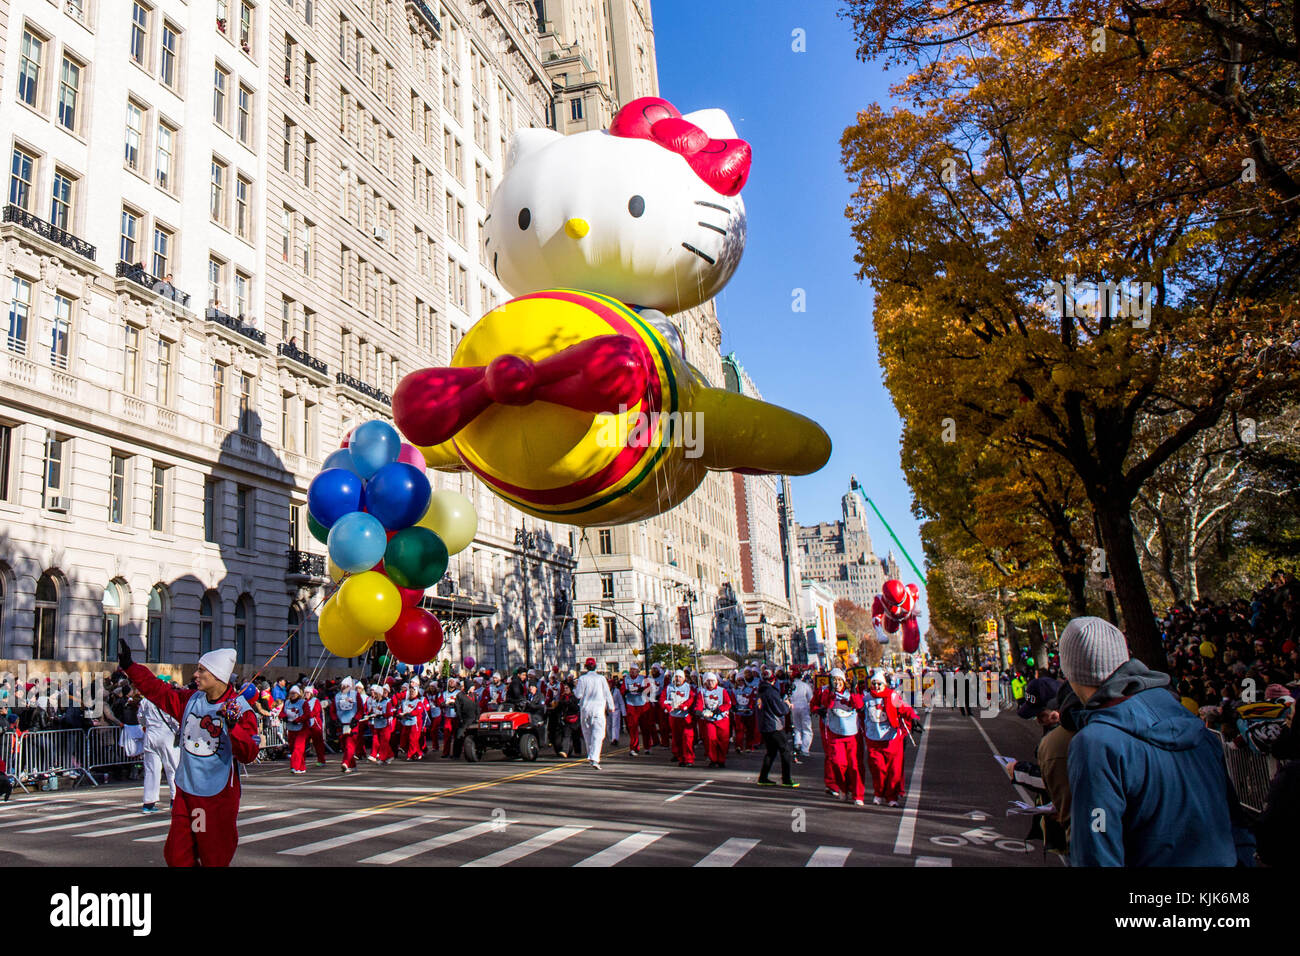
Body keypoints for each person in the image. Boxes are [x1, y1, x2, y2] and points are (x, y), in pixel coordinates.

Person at [1061, 616, 1252, 866]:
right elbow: (1234, 819)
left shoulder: (1096, 744)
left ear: (1069, 670)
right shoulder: (1190, 721)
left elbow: (1096, 850)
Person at [117, 640, 259, 867]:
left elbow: (249, 754)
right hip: (186, 790)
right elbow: (159, 691)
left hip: (216, 796)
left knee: (213, 857)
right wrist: (130, 666)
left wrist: (233, 727)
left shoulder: (241, 710)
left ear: (217, 676)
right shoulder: (191, 700)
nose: (195, 674)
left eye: (202, 670)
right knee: (177, 855)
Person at [861, 669, 917, 807]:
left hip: (891, 739)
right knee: (878, 769)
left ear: (884, 684)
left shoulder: (892, 696)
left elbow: (905, 709)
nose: (876, 687)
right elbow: (860, 714)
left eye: (879, 684)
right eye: (874, 684)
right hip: (873, 738)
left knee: (894, 771)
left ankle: (892, 797)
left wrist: (914, 718)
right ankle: (878, 793)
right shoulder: (866, 698)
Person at [816, 668, 863, 802]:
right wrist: (832, 693)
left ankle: (857, 795)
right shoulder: (827, 693)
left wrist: (853, 691)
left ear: (844, 681)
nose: (837, 683)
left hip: (851, 735)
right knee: (837, 764)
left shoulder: (851, 692)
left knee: (854, 766)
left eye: (839, 680)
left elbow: (859, 705)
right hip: (835, 734)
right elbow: (827, 704)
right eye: (834, 680)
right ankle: (842, 788)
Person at [138, 682, 181, 814]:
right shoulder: (168, 697)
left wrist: (147, 726)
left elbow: (140, 718)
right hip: (167, 734)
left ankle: (149, 802)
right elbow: (175, 718)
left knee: (151, 769)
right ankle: (175, 800)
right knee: (173, 768)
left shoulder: (146, 700)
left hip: (151, 734)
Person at [755, 667, 798, 788]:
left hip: (763, 725)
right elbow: (780, 710)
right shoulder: (771, 692)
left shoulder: (760, 691)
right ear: (773, 680)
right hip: (773, 725)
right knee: (785, 750)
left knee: (771, 752)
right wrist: (787, 705)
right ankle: (786, 779)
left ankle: (763, 777)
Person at [574, 658, 615, 769]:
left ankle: (591, 756)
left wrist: (575, 688)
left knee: (588, 735)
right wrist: (611, 706)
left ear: (586, 667)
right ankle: (594, 757)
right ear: (595, 666)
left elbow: (578, 695)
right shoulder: (601, 679)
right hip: (598, 710)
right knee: (598, 735)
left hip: (586, 709)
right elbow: (607, 693)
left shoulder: (582, 679)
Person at [696, 672, 734, 767]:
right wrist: (698, 711)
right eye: (708, 681)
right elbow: (699, 703)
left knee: (723, 740)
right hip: (709, 719)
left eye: (712, 681)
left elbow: (728, 703)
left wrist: (720, 709)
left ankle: (721, 759)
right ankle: (713, 759)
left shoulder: (722, 691)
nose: (710, 683)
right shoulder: (702, 692)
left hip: (721, 718)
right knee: (710, 738)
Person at [664, 670, 699, 767]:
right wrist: (668, 707)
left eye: (680, 677)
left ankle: (689, 759)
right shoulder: (669, 687)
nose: (678, 679)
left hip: (685, 716)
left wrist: (685, 705)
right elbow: (663, 699)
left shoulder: (689, 688)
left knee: (687, 738)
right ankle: (680, 758)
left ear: (684, 678)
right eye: (676, 677)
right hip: (674, 717)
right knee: (676, 738)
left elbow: (692, 698)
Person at [621, 664, 653, 755]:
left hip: (642, 705)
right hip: (631, 705)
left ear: (638, 671)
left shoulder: (643, 678)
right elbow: (622, 690)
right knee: (633, 727)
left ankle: (647, 747)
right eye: (631, 670)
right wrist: (625, 691)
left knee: (645, 727)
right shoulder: (626, 679)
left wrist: (642, 690)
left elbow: (650, 688)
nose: (632, 671)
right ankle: (634, 748)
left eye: (634, 670)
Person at [334, 677, 362, 773]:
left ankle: (345, 763)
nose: (344, 687)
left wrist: (356, 719)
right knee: (344, 746)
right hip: (341, 724)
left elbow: (360, 709)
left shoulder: (355, 695)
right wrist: (335, 720)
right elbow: (333, 710)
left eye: (346, 686)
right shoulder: (337, 696)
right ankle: (352, 765)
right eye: (343, 686)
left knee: (350, 745)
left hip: (352, 724)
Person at [283, 686, 308, 773]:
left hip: (301, 729)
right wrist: (284, 717)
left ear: (298, 694)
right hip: (291, 729)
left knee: (298, 748)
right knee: (293, 748)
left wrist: (298, 720)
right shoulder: (287, 703)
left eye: (294, 693)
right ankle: (301, 767)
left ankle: (295, 767)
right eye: (291, 693)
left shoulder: (303, 703)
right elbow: (283, 713)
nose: (292, 695)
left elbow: (307, 714)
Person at [789, 671, 814, 758]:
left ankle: (797, 743)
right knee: (806, 729)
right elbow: (810, 698)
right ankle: (805, 749)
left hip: (794, 708)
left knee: (797, 727)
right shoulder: (805, 685)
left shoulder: (791, 685)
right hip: (804, 708)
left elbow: (787, 697)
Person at [452, 679, 479, 758]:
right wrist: (460, 718)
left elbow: (477, 706)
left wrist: (478, 716)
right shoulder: (460, 695)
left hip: (474, 719)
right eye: (472, 686)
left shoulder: (474, 695)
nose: (473, 688)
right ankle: (456, 754)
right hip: (464, 719)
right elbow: (457, 708)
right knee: (459, 736)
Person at [301, 685, 327, 766]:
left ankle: (321, 760)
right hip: (306, 724)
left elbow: (315, 711)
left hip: (315, 725)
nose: (306, 694)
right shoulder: (303, 702)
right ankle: (301, 760)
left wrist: (306, 716)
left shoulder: (315, 700)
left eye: (308, 693)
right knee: (302, 743)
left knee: (318, 743)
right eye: (305, 693)